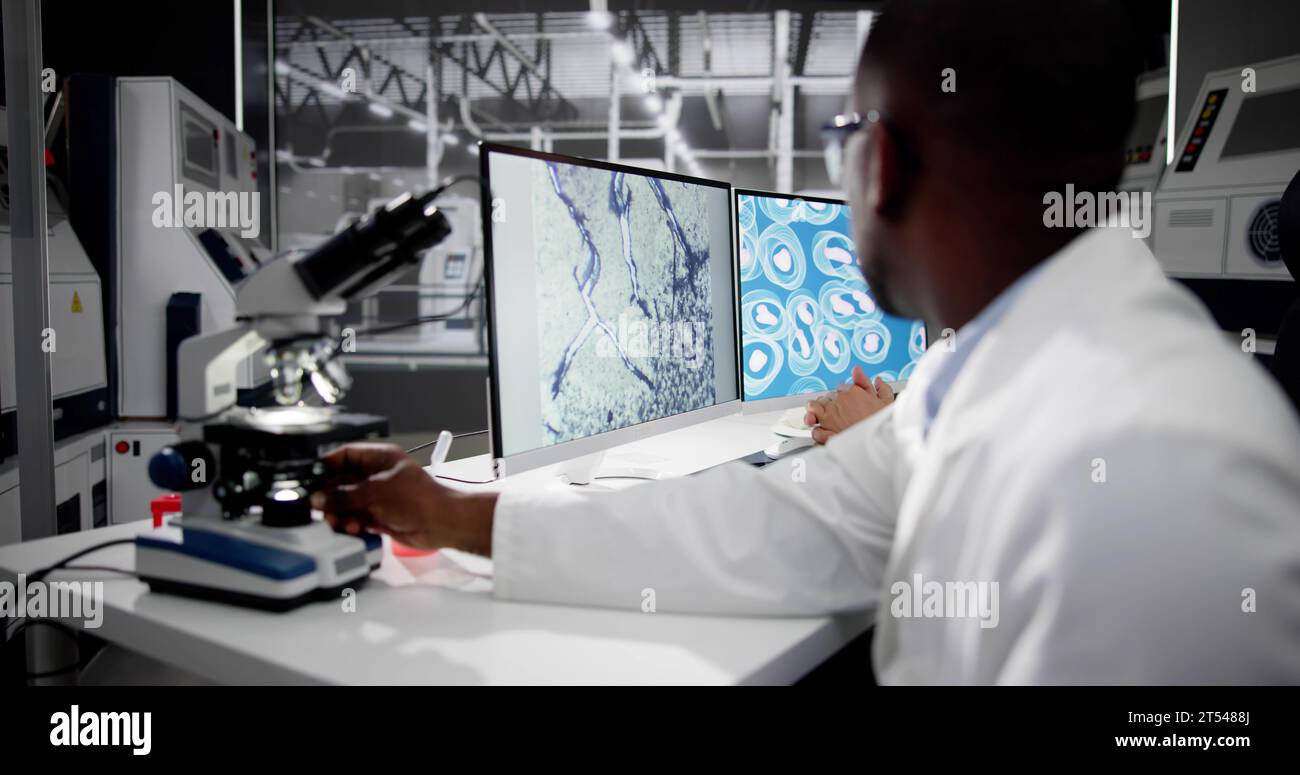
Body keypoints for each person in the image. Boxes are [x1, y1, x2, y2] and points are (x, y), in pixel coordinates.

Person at [313, 0, 1300, 683]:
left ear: (881, 161)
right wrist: (456, 515)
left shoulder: (1154, 464)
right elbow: (771, 523)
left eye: (840, 138)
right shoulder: (985, 373)